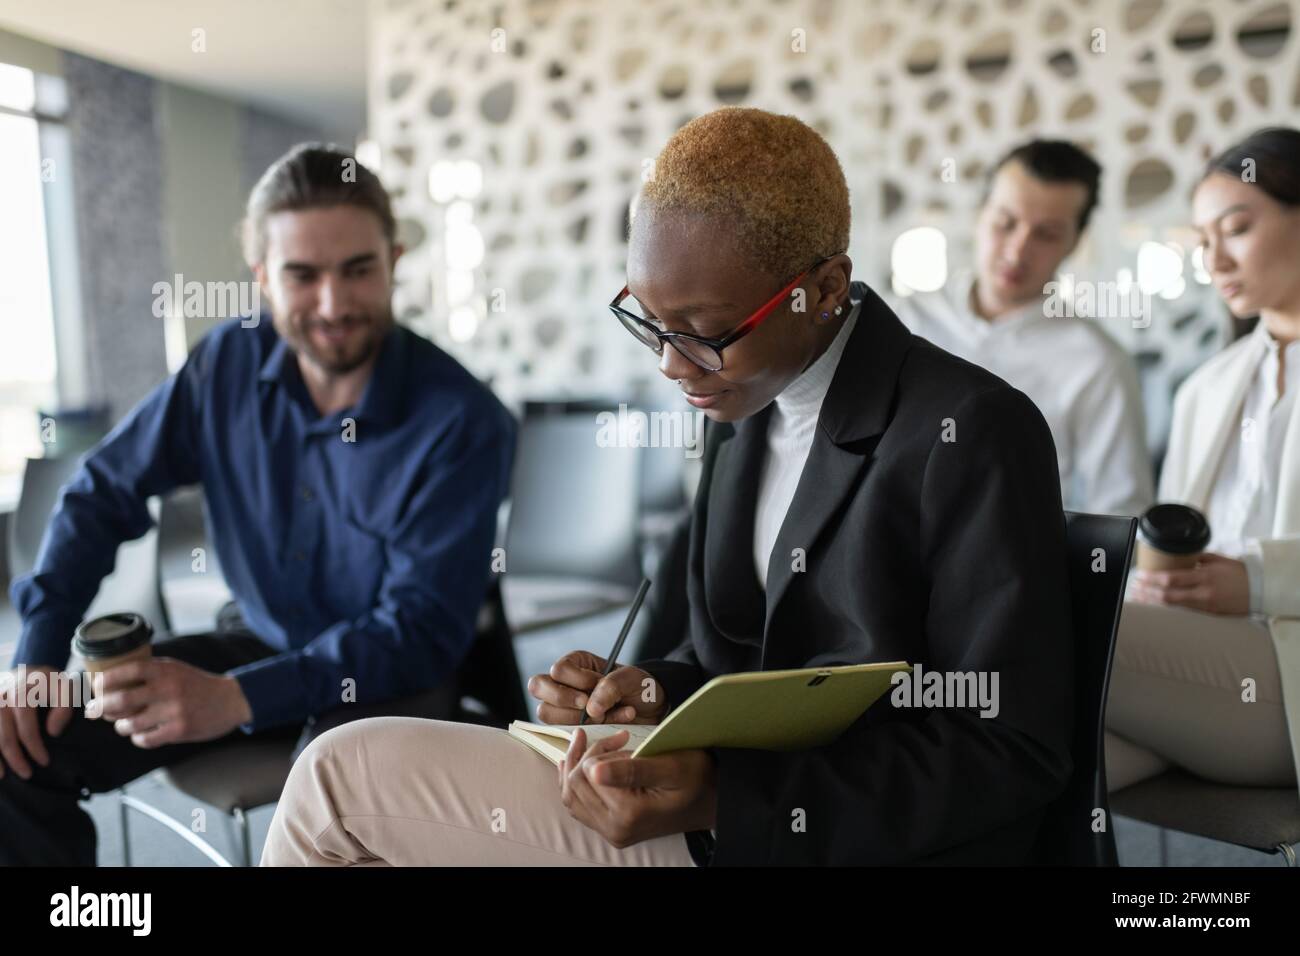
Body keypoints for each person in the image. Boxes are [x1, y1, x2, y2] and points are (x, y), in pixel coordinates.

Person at [262, 107, 1076, 867]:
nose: (671, 365)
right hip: (719, 810)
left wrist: (728, 799)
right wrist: (645, 691)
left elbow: (1012, 749)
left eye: (707, 333)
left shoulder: (971, 431)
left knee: (337, 778)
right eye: (648, 320)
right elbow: (732, 658)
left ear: (825, 289)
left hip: (815, 841)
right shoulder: (745, 404)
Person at [0, 144, 516, 865]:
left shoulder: (463, 420)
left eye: (358, 269)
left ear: (393, 261)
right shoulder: (223, 366)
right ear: (263, 277)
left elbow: (418, 630)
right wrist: (38, 654)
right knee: (20, 747)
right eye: (303, 275)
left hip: (393, 675)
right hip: (256, 642)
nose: (333, 304)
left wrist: (236, 699)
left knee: (327, 813)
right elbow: (101, 490)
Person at [1105, 128, 1300, 793]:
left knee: (1062, 623)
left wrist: (1259, 582)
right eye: (1202, 239)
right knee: (1016, 767)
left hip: (1283, 670)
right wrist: (1160, 583)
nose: (1214, 260)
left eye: (1237, 228)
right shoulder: (1207, 389)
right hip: (1192, 670)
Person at [894, 139, 1153, 517]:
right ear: (979, 215)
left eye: (1046, 234)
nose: (1017, 252)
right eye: (1005, 223)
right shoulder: (904, 321)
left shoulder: (1098, 362)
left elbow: (1118, 512)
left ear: (1074, 242)